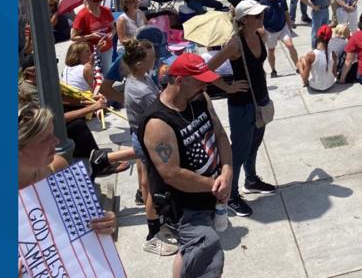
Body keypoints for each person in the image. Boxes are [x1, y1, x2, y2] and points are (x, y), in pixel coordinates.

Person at [139, 53, 234, 278]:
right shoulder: (158, 123)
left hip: (211, 192)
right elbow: (172, 174)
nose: (205, 86)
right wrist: (215, 185)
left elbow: (220, 134)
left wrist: (227, 171)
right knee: (208, 253)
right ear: (181, 81)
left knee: (190, 252)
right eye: (200, 82)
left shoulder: (200, 98)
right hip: (184, 206)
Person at [203, 2, 278, 218]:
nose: (261, 17)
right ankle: (231, 195)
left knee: (255, 143)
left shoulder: (259, 34)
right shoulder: (235, 44)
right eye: (256, 15)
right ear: (244, 19)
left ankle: (251, 180)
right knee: (238, 151)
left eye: (261, 13)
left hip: (260, 100)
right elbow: (206, 70)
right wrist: (227, 87)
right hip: (242, 105)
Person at [18, 100, 118, 260]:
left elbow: (86, 223)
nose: (56, 142)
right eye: (45, 139)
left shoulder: (58, 167)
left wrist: (106, 222)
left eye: (53, 135)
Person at [120, 39, 179, 256]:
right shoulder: (141, 90)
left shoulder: (140, 77)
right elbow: (162, 108)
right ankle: (153, 234)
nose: (155, 59)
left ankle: (158, 220)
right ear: (139, 64)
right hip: (146, 139)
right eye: (152, 57)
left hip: (140, 134)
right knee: (154, 189)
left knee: (146, 182)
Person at [70, 0, 114, 76]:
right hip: (90, 51)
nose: (98, 3)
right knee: (92, 75)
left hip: (106, 48)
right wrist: (91, 36)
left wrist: (112, 35)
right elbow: (73, 37)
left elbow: (113, 28)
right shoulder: (82, 15)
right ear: (88, 0)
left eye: (100, 0)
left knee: (107, 73)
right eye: (95, 0)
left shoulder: (106, 10)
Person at [259, 0, 297, 77]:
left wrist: (289, 26)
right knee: (271, 50)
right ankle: (273, 70)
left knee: (290, 45)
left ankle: (298, 66)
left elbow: (286, 13)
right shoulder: (262, 3)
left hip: (283, 28)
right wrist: (261, 30)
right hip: (269, 31)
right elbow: (260, 19)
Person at [297, 25, 338, 91]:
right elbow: (335, 73)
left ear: (317, 36)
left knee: (300, 61)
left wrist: (306, 82)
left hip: (315, 86)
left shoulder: (311, 54)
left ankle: (299, 66)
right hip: (330, 85)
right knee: (303, 58)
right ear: (329, 39)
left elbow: (305, 77)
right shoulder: (333, 54)